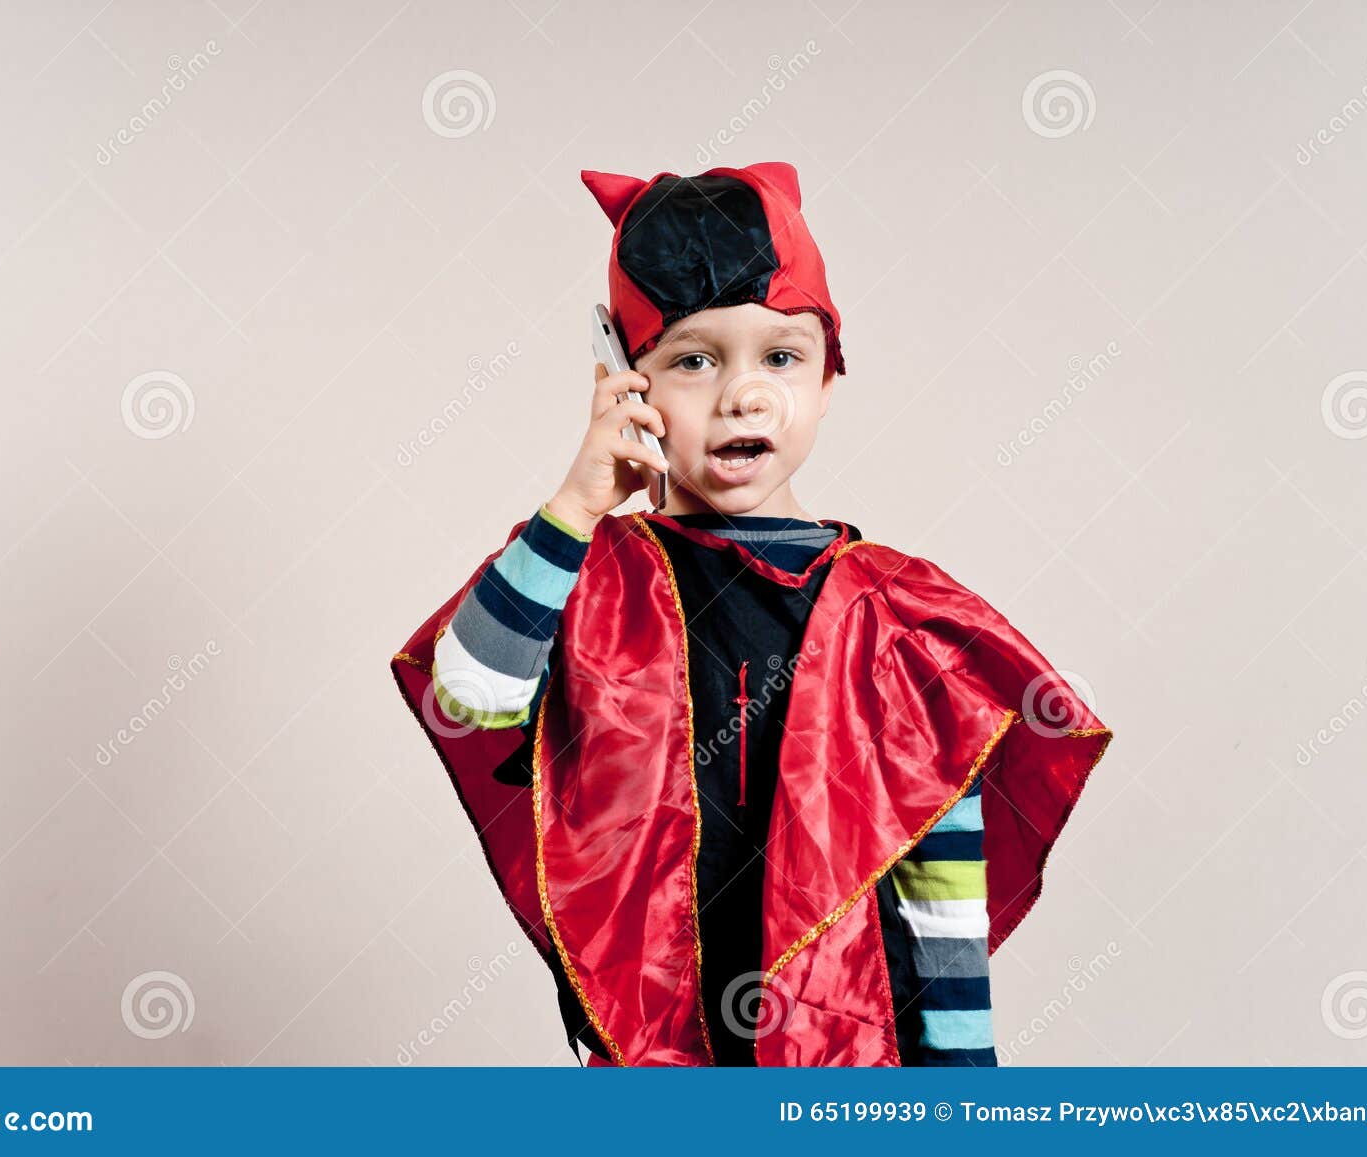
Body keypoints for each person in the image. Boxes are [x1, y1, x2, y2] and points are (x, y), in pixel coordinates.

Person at [388, 162, 1114, 1067]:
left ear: (828, 380)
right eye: (693, 360)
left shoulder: (897, 615)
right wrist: (575, 504)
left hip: (849, 1065)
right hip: (657, 1059)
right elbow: (468, 694)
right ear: (626, 382)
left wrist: (965, 1082)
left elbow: (941, 873)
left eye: (781, 357)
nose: (743, 393)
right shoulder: (588, 574)